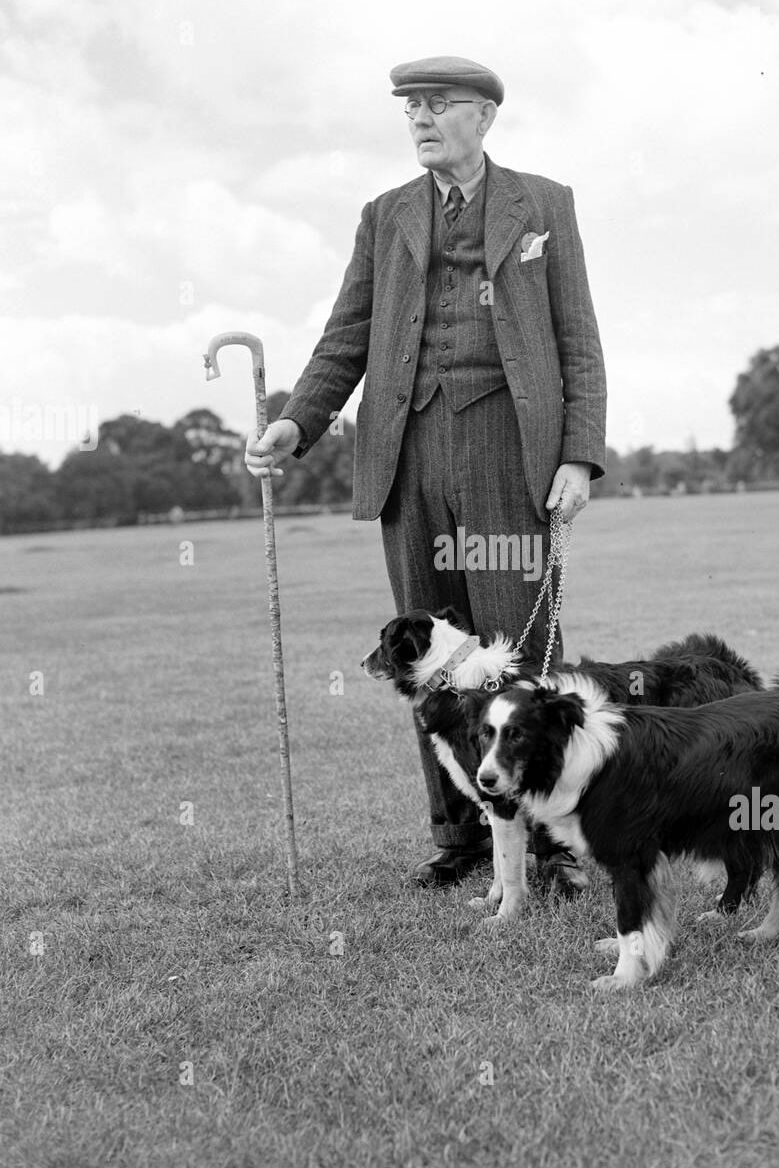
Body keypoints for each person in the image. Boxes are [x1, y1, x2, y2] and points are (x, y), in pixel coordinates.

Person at [245, 55, 606, 892]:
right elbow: (346, 335)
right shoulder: (385, 215)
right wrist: (295, 422)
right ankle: (459, 836)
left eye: (438, 105)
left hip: (508, 457)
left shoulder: (544, 204)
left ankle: (548, 836)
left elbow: (578, 339)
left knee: (516, 655)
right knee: (431, 662)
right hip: (405, 455)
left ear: (483, 117)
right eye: (410, 106)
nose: (419, 119)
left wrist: (578, 456)